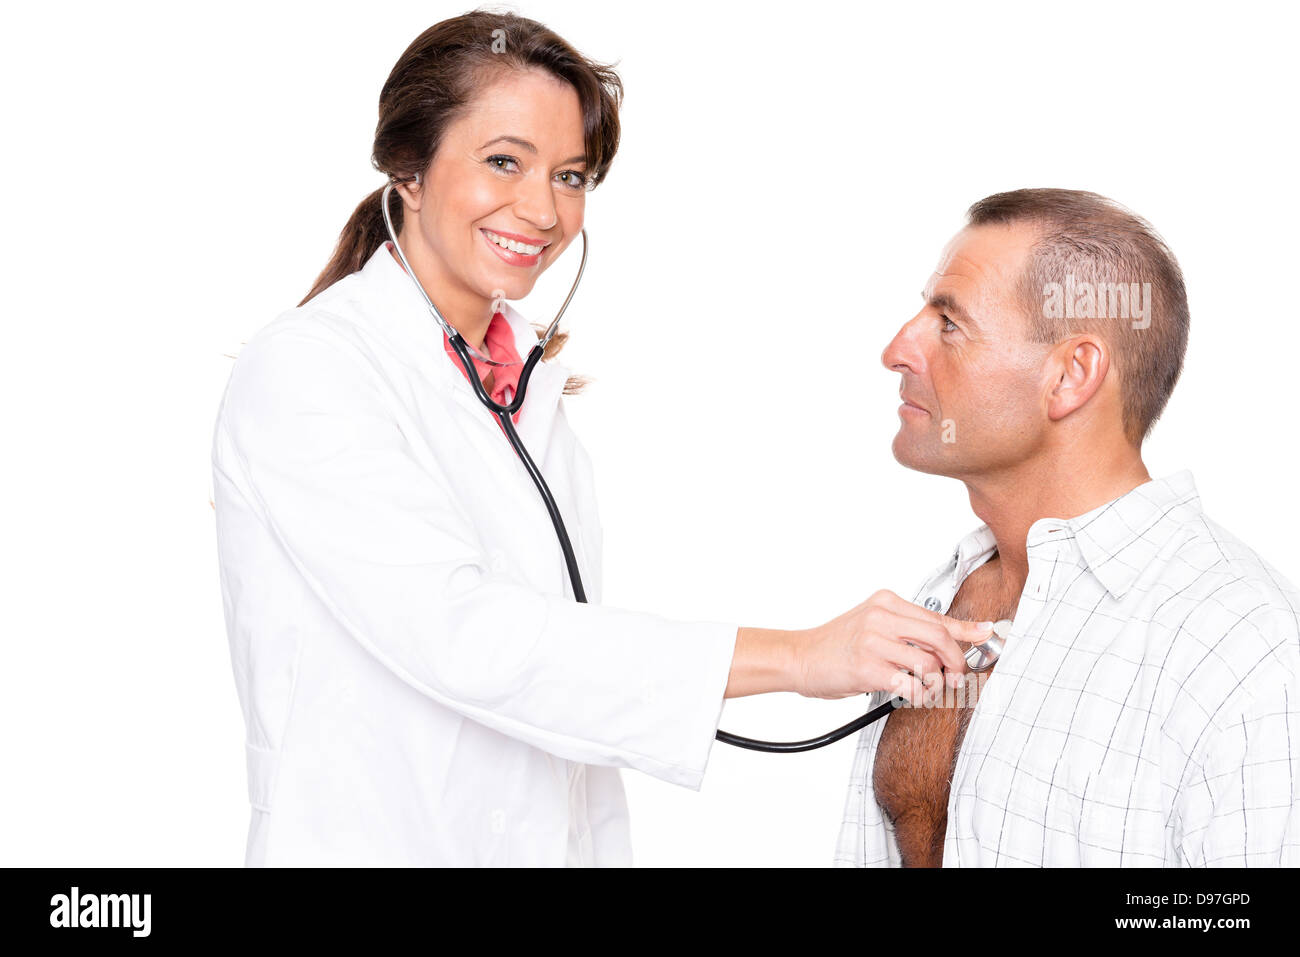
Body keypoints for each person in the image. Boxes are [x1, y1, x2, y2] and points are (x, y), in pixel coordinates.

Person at [210, 10, 988, 867]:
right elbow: (467, 640)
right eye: (504, 160)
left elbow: (560, 703)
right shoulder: (307, 372)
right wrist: (803, 657)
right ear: (410, 170)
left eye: (571, 175)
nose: (543, 210)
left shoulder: (522, 391)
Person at [835, 188, 1300, 867]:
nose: (897, 350)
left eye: (950, 323)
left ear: (1071, 375)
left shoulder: (1241, 652)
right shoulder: (942, 597)